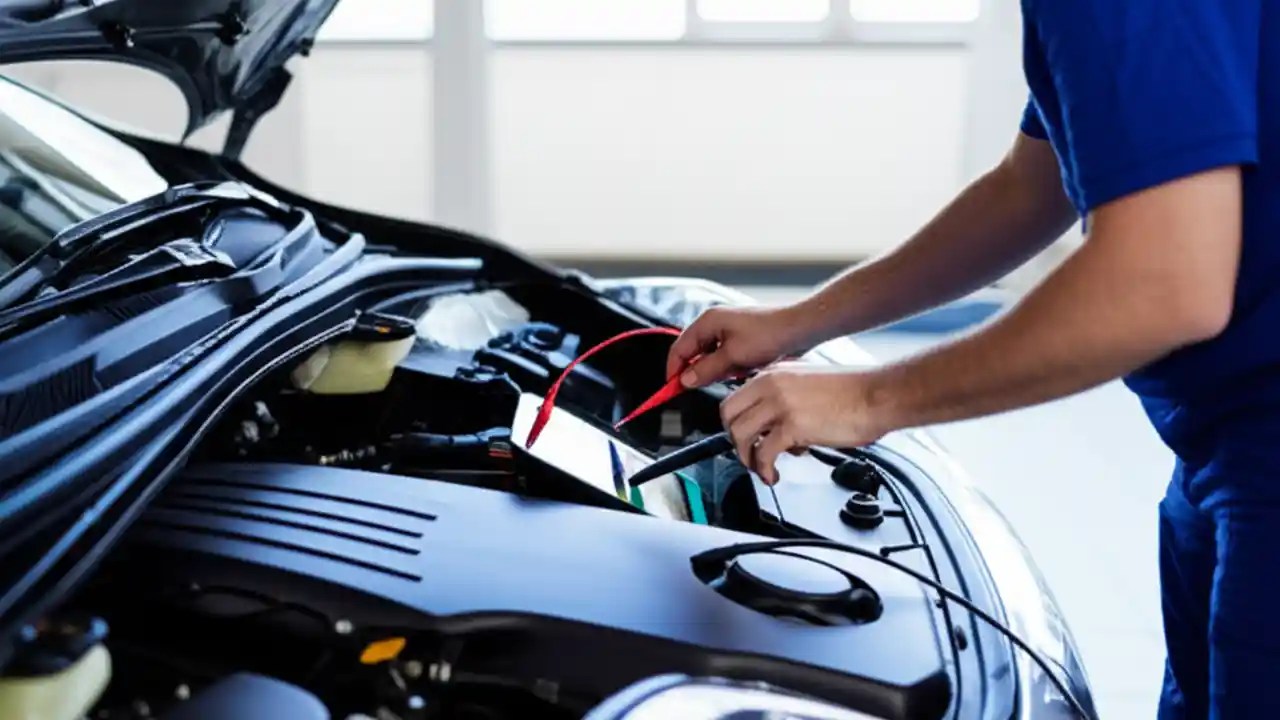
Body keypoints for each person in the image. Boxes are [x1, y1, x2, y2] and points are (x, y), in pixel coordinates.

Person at [667, 2, 1275, 718]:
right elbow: (1033, 184)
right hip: (1223, 437)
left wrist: (868, 400)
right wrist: (796, 323)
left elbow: (1166, 282)